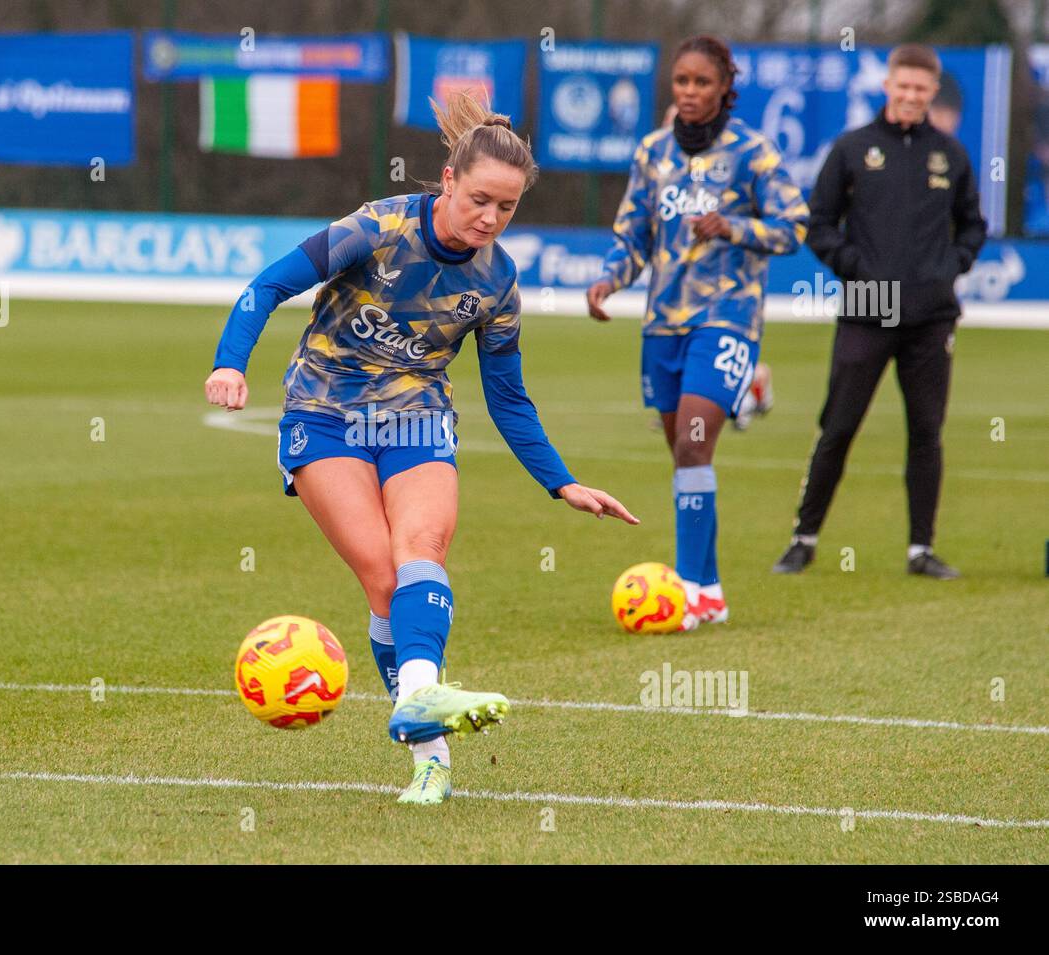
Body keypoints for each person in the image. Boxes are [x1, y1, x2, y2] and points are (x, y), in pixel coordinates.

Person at [205, 90, 639, 805]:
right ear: (447, 182)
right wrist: (230, 362)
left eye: (506, 208)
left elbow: (507, 396)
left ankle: (419, 723)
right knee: (380, 576)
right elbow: (269, 284)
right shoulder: (376, 228)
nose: (490, 220)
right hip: (324, 414)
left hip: (417, 421)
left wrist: (560, 481)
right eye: (479, 200)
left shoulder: (497, 281)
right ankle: (431, 751)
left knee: (421, 553)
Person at [586, 35, 809, 628]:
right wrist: (609, 282)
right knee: (687, 456)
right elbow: (633, 235)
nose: (688, 92)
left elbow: (793, 227)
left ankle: (684, 593)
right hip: (663, 324)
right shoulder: (652, 152)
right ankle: (710, 591)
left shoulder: (753, 153)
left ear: (724, 89)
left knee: (691, 442)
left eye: (701, 83)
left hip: (728, 318)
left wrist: (732, 226)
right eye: (681, 81)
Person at [772, 44, 987, 578]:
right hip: (869, 305)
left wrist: (950, 265)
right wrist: (854, 267)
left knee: (926, 432)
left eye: (922, 89)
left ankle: (921, 549)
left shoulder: (950, 155)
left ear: (932, 92)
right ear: (888, 86)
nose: (912, 96)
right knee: (839, 426)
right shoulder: (852, 148)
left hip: (933, 313)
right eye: (904, 86)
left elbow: (974, 224)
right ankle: (804, 538)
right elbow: (817, 222)